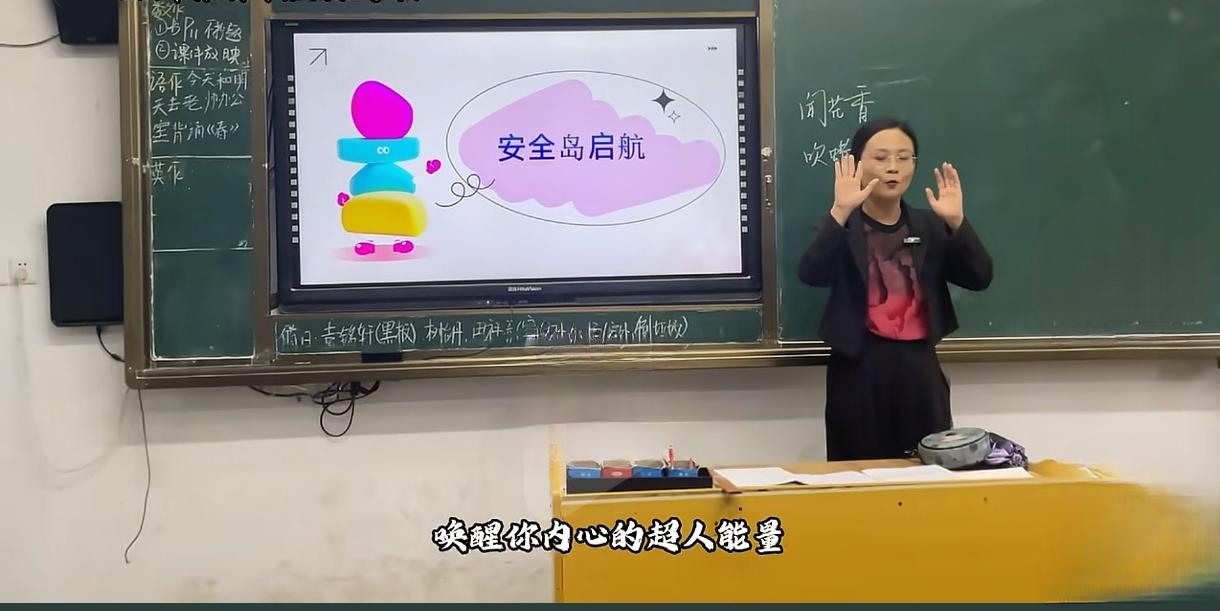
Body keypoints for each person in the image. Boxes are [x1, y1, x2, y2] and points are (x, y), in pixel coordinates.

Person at [797, 118, 993, 461]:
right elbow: (811, 273)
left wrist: (957, 223)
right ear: (858, 164)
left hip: (920, 369)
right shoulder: (845, 227)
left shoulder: (930, 226)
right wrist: (840, 211)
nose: (893, 168)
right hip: (859, 368)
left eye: (904, 158)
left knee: (926, 469)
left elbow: (979, 277)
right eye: (881, 157)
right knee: (858, 472)